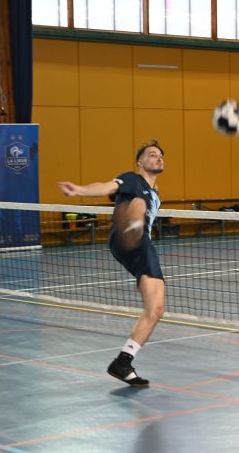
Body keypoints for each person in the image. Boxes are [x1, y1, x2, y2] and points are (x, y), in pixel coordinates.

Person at [59, 140, 165, 387]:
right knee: (139, 202)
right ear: (140, 162)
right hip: (130, 237)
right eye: (152, 155)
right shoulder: (132, 179)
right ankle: (134, 225)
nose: (158, 158)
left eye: (160, 155)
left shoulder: (155, 193)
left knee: (156, 310)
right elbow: (106, 185)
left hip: (138, 248)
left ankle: (123, 363)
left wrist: (138, 271)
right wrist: (79, 190)